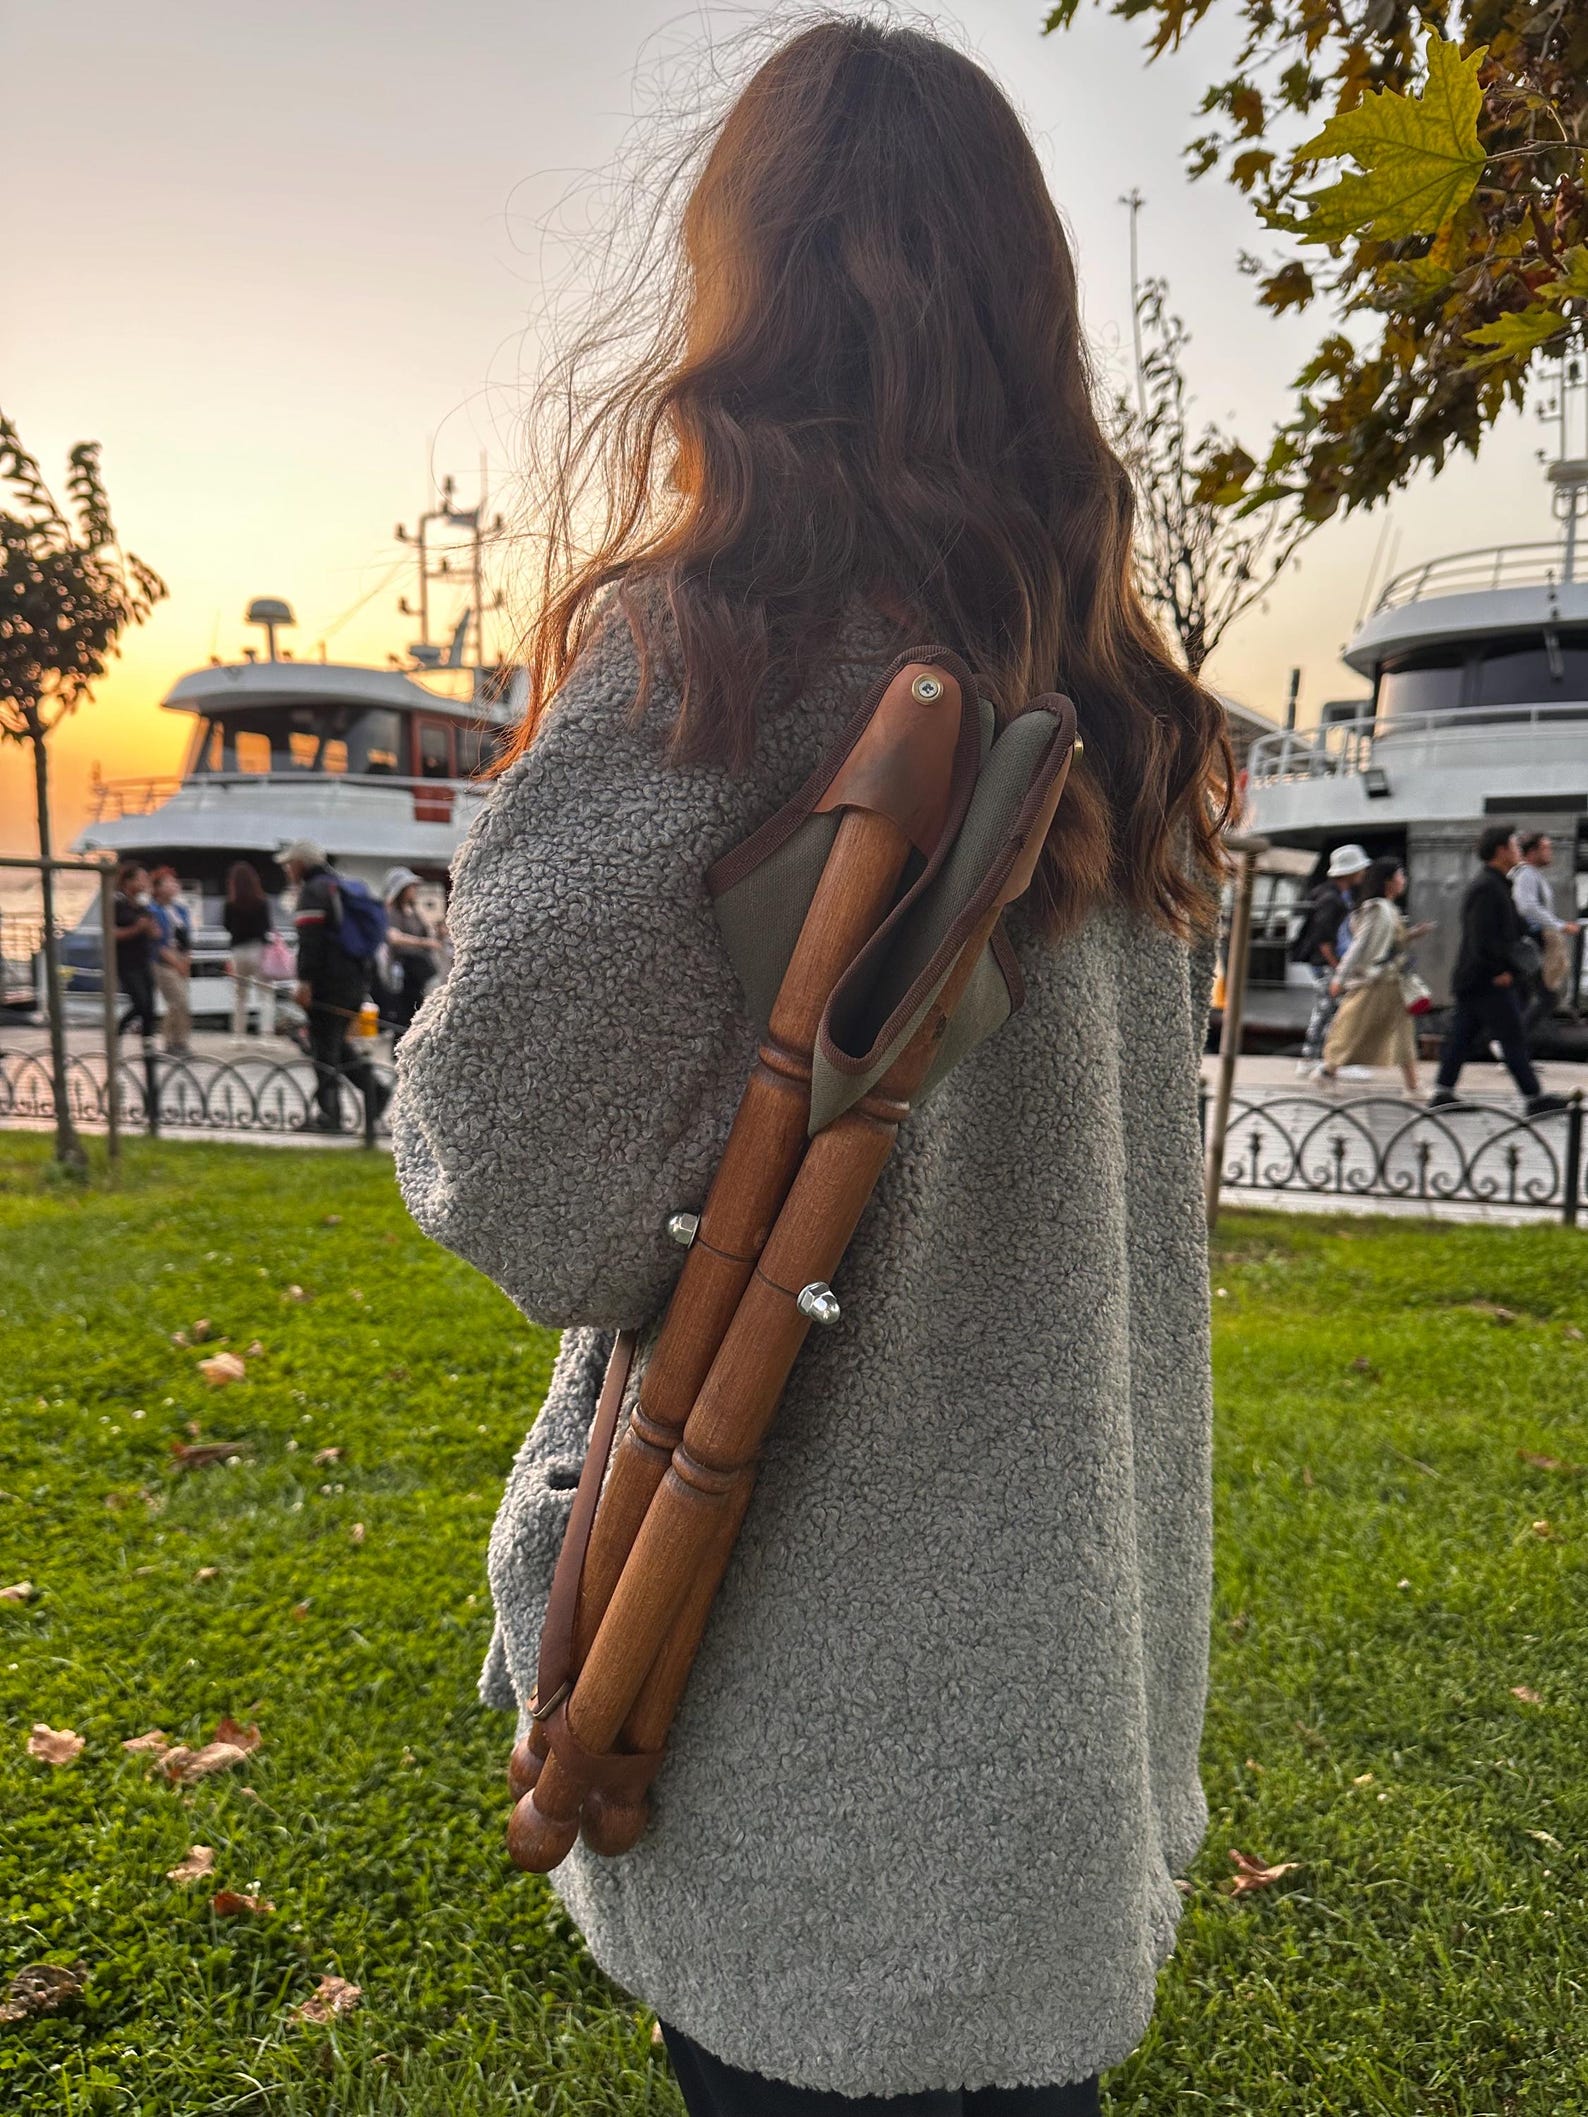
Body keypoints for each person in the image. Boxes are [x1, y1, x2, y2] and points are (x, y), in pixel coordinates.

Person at [391, 24, 1231, 2115]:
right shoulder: (1124, 704)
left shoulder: (715, 651)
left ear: (738, 283)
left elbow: (519, 1160)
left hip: (795, 1711)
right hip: (1053, 1689)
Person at [1431, 826, 1568, 1115]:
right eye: (1514, 846)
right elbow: (1483, 937)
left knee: (1462, 1035)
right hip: (1487, 979)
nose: (1518, 851)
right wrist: (1500, 970)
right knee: (1512, 1035)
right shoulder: (1487, 888)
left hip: (1477, 978)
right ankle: (1534, 1098)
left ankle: (1443, 1092)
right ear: (1501, 851)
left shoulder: (1497, 885)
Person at [282, 838, 388, 1134]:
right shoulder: (339, 887)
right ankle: (375, 1091)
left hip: (328, 984)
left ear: (301, 864)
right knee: (337, 1045)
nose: (287, 870)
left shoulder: (313, 893)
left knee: (323, 1050)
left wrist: (304, 982)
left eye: (289, 864)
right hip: (353, 981)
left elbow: (311, 943)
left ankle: (331, 1118)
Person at [1316, 858, 1430, 1095]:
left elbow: (1389, 942)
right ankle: (1328, 1070)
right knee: (1352, 1025)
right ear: (1389, 881)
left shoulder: (1387, 908)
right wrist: (1340, 976)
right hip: (1376, 981)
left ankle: (1413, 1085)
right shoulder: (1377, 908)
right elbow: (1360, 945)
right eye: (1400, 876)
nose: (1403, 881)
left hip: (1390, 980)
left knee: (1400, 1032)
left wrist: (1411, 935)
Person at [1294, 844, 1369, 1074]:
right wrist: (1338, 968)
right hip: (1328, 965)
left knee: (1326, 1010)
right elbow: (1323, 939)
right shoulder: (1332, 899)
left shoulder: (1332, 894)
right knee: (1334, 1011)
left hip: (1327, 964)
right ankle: (1327, 1061)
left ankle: (1313, 1059)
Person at [1511, 831, 1579, 1041]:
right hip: (1527, 943)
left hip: (1530, 942)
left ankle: (1511, 1048)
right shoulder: (1526, 874)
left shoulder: (1532, 874)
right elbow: (1527, 906)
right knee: (1547, 996)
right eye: (1546, 848)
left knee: (1523, 996)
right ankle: (1510, 1045)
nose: (1550, 853)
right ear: (1532, 852)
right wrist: (1558, 925)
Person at [381, 866, 442, 1050]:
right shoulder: (391, 912)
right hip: (403, 970)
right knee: (403, 1013)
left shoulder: (413, 911)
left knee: (418, 1010)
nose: (414, 891)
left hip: (419, 972)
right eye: (410, 887)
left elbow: (428, 933)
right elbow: (394, 938)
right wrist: (423, 943)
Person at [223, 860, 278, 1039]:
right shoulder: (261, 902)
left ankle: (238, 1036)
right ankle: (266, 1036)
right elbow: (267, 927)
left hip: (238, 951)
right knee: (266, 995)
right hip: (258, 949)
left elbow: (227, 926)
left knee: (240, 995)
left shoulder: (230, 904)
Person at [111, 862, 160, 1043]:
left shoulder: (142, 906)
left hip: (144, 960)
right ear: (128, 881)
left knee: (150, 1006)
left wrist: (149, 925)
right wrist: (137, 928)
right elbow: (113, 934)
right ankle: (116, 1033)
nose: (145, 882)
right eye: (141, 879)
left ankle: (149, 1043)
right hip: (126, 962)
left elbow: (156, 933)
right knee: (140, 1003)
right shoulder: (118, 904)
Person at [148, 866, 194, 1057]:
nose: (174, 886)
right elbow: (157, 942)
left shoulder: (180, 910)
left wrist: (186, 959)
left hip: (180, 956)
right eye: (169, 882)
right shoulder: (152, 910)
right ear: (157, 887)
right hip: (162, 960)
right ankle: (171, 1042)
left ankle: (180, 1040)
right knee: (177, 1000)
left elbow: (187, 936)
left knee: (183, 1002)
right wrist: (175, 962)